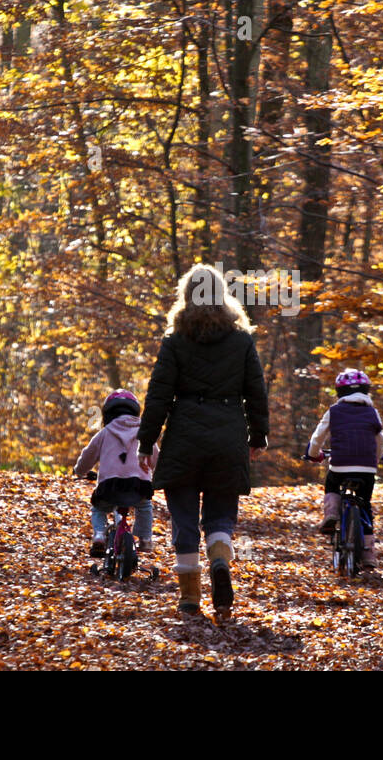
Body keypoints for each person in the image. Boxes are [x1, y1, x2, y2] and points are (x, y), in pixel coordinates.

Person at [137, 264, 269, 620]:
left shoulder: (175, 340)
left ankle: (190, 599)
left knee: (183, 519)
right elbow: (256, 391)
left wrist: (146, 442)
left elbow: (159, 395)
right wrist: (258, 436)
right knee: (220, 515)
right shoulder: (241, 340)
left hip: (184, 438)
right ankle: (221, 560)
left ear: (186, 294)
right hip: (228, 436)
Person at [306, 369, 383, 568]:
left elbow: (318, 438)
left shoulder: (333, 411)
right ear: (366, 390)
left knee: (332, 483)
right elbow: (381, 440)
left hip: (341, 465)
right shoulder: (372, 412)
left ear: (339, 392)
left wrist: (313, 454)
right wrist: (375, 459)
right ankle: (368, 555)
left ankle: (331, 513)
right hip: (367, 469)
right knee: (365, 505)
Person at [73, 390, 156, 556]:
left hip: (109, 486)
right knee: (145, 505)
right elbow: (155, 457)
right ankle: (145, 538)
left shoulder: (104, 433)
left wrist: (79, 471)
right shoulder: (144, 433)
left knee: (99, 508)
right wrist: (158, 474)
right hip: (138, 485)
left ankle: (98, 535)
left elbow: (88, 456)